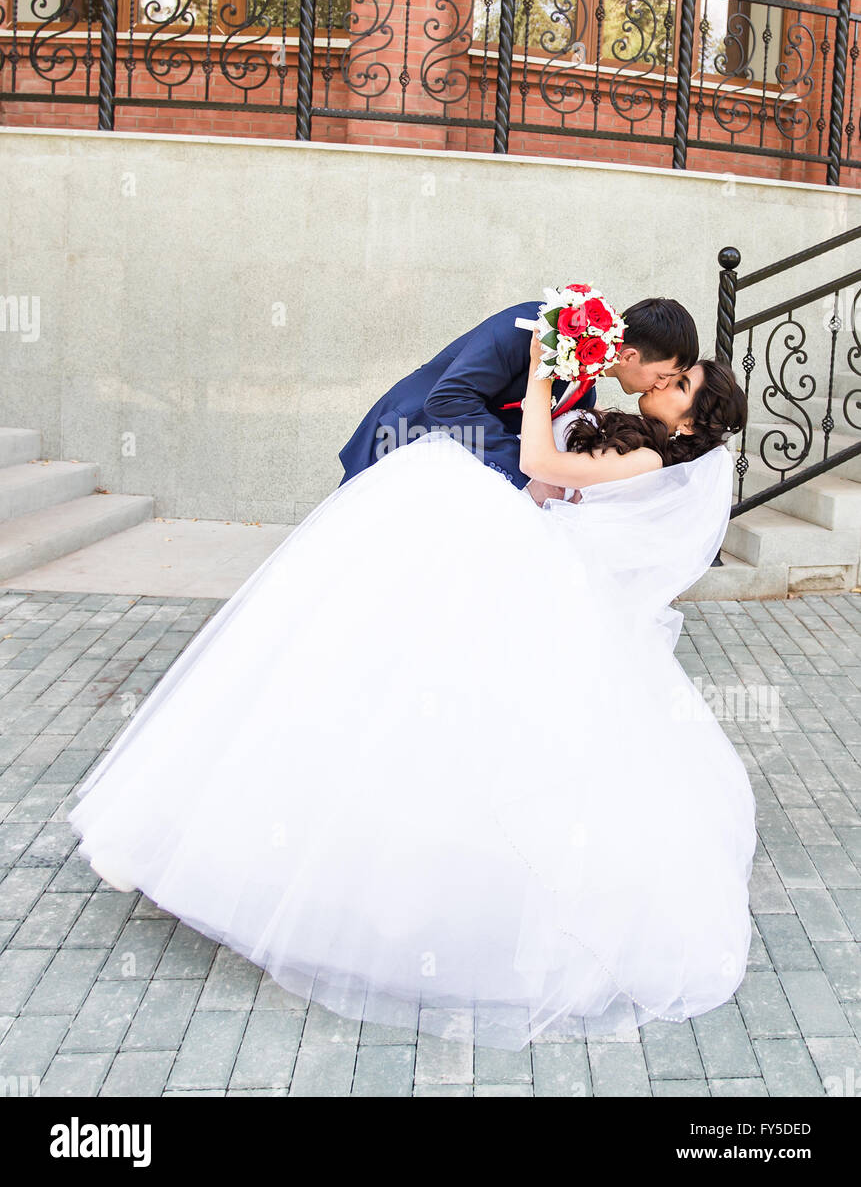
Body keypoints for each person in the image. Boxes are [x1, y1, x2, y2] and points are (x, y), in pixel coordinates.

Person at [66, 333, 755, 1053]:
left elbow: (536, 462)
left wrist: (541, 377)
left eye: (680, 385)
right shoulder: (645, 440)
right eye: (670, 372)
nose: (664, 382)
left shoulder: (650, 455)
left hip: (538, 573)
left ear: (688, 419)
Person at [338, 295, 699, 504]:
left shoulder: (585, 388)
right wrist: (526, 475)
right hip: (406, 435)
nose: (659, 385)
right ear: (631, 356)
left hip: (449, 475)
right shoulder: (534, 329)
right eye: (663, 375)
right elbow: (449, 399)